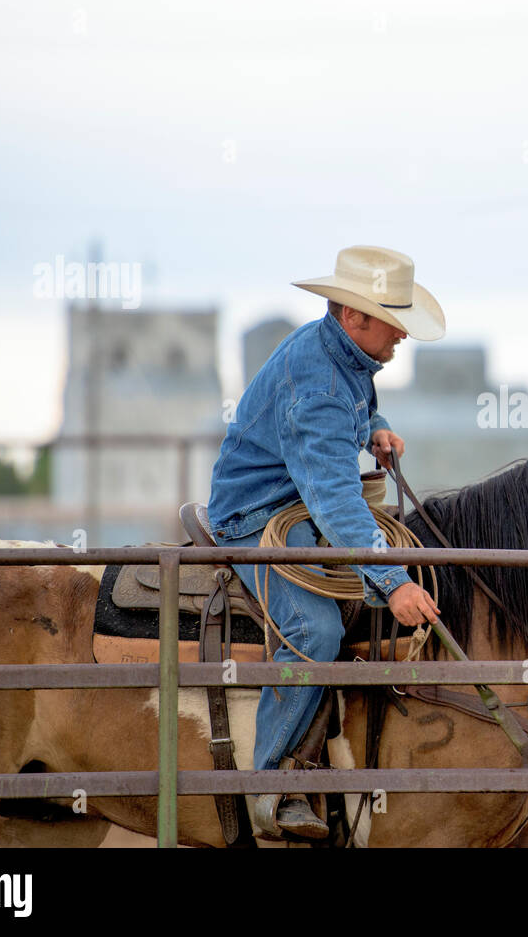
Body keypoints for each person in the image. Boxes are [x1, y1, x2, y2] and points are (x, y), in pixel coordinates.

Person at [207, 244, 446, 838]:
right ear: (353, 316)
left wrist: (374, 426)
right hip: (255, 518)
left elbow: (349, 411)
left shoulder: (339, 356)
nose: (402, 337)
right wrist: (391, 583)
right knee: (315, 631)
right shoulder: (316, 388)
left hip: (293, 503)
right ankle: (271, 790)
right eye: (393, 322)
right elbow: (337, 502)